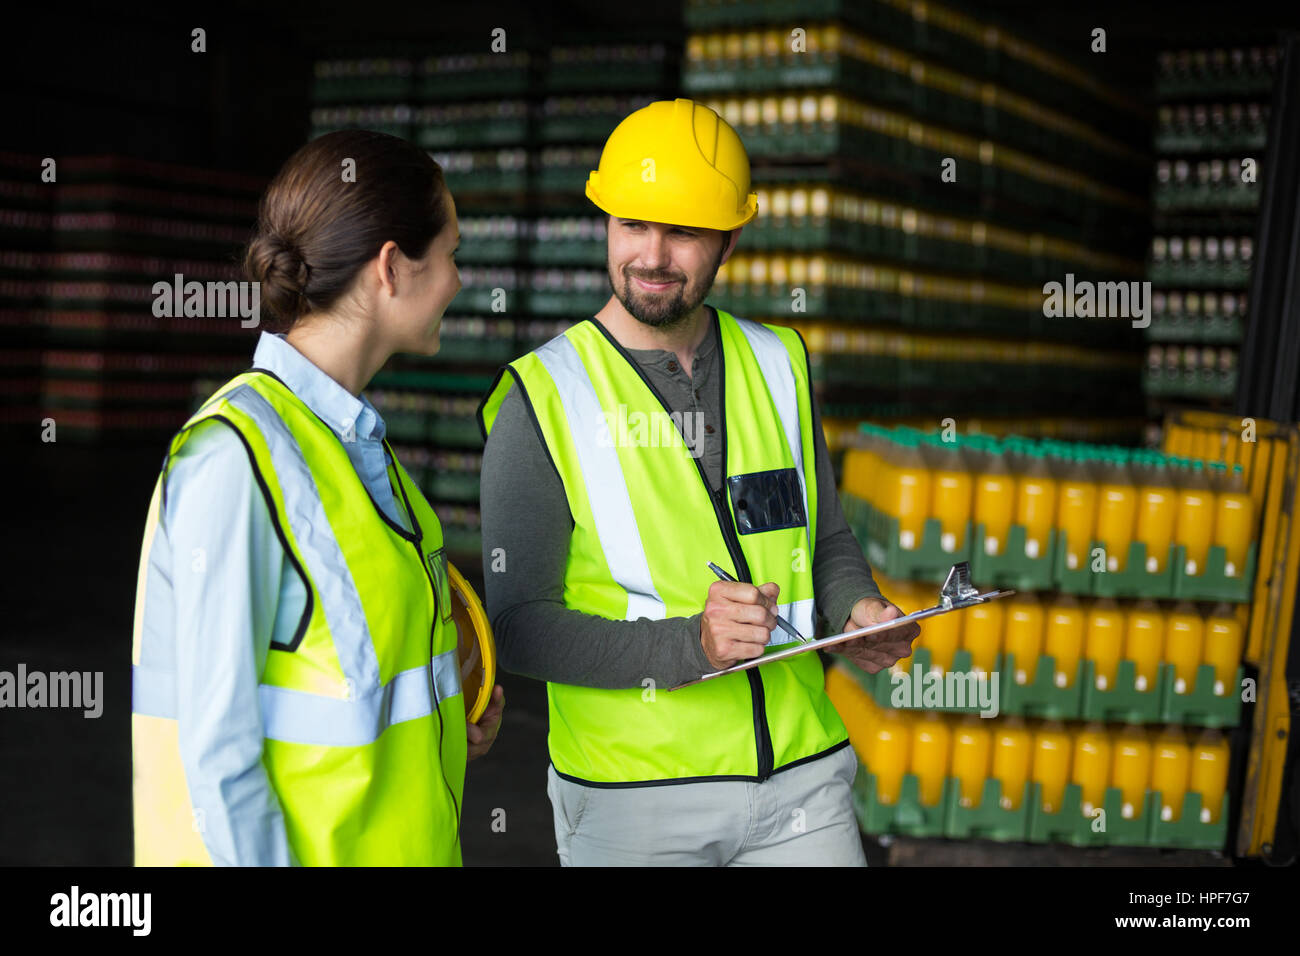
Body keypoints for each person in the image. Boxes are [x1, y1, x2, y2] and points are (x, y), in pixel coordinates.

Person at [476, 98, 918, 866]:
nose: (651, 256)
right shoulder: (541, 397)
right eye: (631, 225)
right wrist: (694, 646)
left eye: (682, 231)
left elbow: (825, 538)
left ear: (732, 238)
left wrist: (855, 610)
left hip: (801, 780)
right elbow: (518, 627)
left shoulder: (778, 363)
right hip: (636, 800)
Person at [131, 129, 504, 866]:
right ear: (392, 268)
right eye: (453, 254)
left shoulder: (357, 447)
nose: (460, 281)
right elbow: (221, 763)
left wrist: (446, 707)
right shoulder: (235, 463)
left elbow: (346, 677)